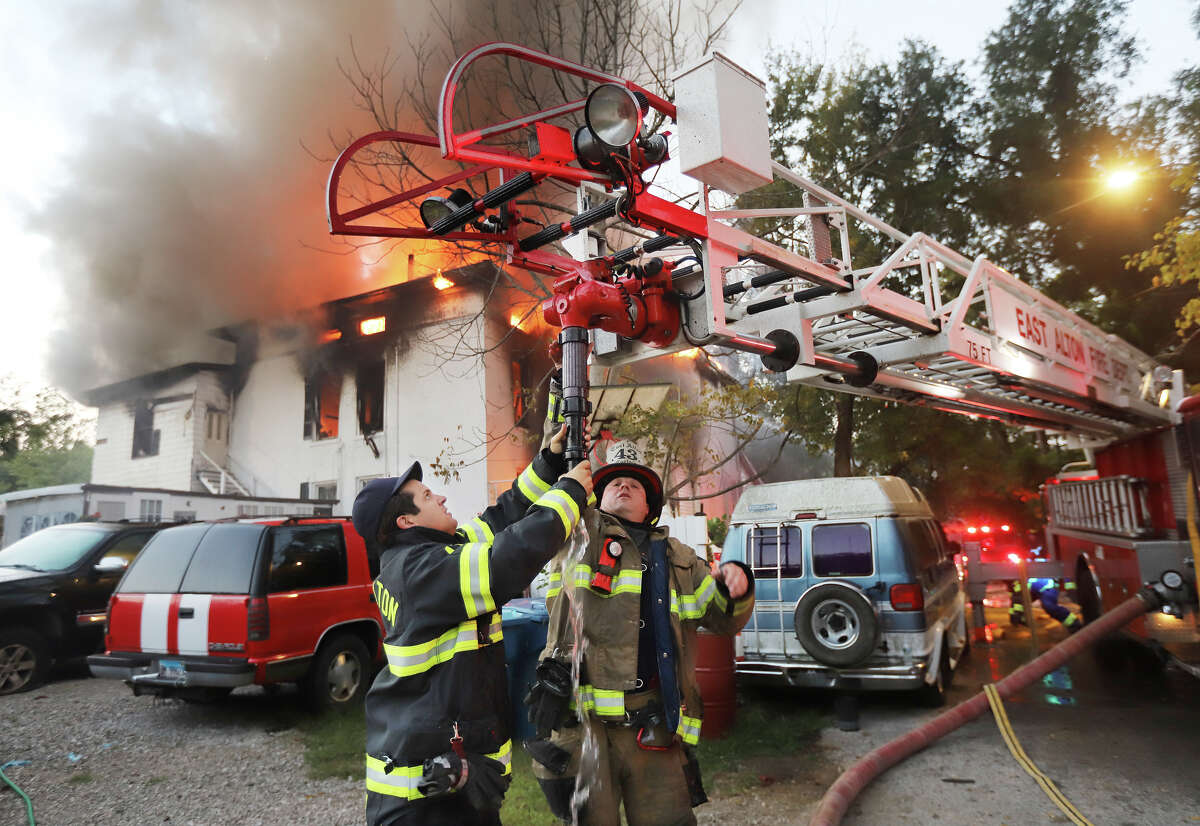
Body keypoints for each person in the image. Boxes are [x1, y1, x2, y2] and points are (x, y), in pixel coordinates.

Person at [353, 424, 592, 826]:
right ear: (406, 522)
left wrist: (549, 464)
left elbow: (502, 519)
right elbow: (505, 560)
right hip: (426, 806)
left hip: (446, 781)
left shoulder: (428, 557)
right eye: (427, 496)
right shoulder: (420, 571)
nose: (441, 497)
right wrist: (569, 493)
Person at [527, 439, 756, 826]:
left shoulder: (681, 559)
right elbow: (544, 508)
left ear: (650, 506)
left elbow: (723, 619)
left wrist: (738, 587)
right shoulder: (575, 536)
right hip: (583, 727)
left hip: (653, 727)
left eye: (634, 484)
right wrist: (563, 445)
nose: (623, 485)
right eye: (614, 482)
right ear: (595, 498)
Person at [1009, 577, 1082, 632]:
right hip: (1033, 588)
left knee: (1049, 606)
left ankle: (1074, 624)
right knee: (1019, 600)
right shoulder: (1019, 578)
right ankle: (1019, 620)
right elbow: (1017, 598)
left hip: (1047, 586)